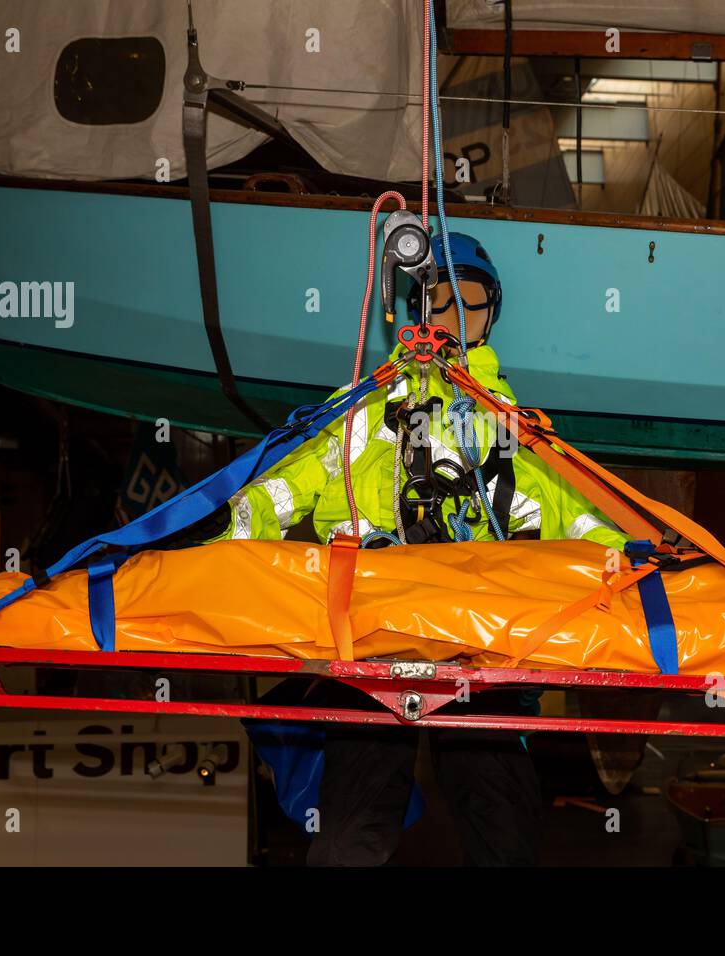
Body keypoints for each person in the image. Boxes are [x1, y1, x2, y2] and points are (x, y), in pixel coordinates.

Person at [209, 233, 628, 866]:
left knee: (505, 836)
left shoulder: (509, 427)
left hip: (476, 654)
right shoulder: (362, 412)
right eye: (440, 301)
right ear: (415, 312)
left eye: (472, 303)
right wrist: (215, 538)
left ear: (490, 317)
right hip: (373, 648)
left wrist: (628, 563)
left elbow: (579, 516)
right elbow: (281, 490)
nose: (455, 317)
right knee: (350, 837)